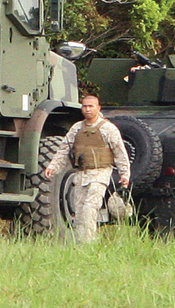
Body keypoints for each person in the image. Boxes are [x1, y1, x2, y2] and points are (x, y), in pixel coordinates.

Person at [43, 91, 130, 243]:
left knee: (90, 208)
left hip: (100, 173)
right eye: (84, 106)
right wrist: (53, 166)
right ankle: (80, 242)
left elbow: (119, 151)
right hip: (81, 174)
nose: (87, 109)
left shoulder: (108, 129)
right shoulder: (77, 128)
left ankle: (88, 242)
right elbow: (64, 148)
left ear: (98, 108)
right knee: (79, 210)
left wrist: (125, 174)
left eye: (91, 106)